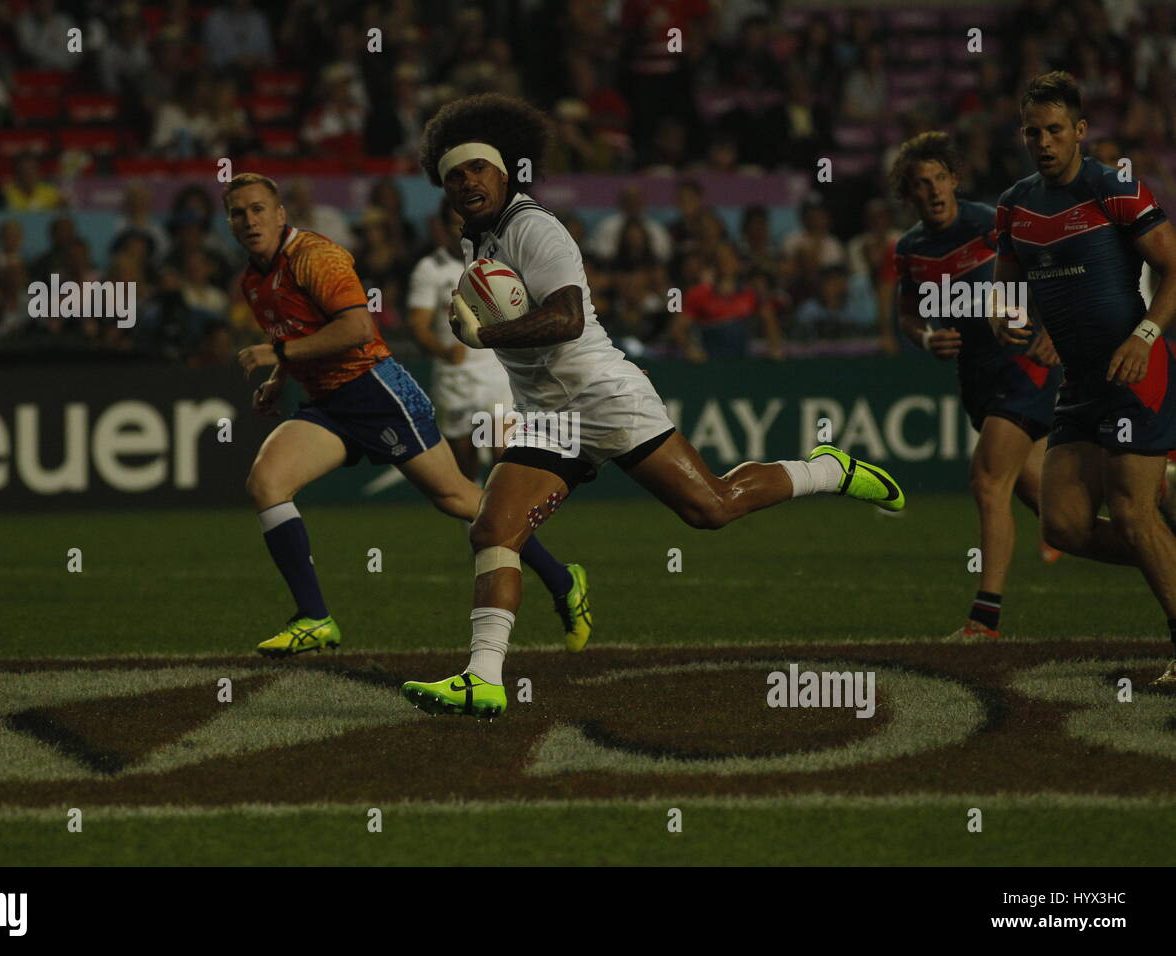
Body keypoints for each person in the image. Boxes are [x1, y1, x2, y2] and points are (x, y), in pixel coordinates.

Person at [401, 94, 906, 719]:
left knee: (711, 508)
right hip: (548, 414)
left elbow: (566, 317)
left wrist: (483, 334)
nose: (466, 181)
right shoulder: (484, 244)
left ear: (505, 172)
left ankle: (828, 470)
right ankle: (483, 677)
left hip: (603, 397)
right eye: (453, 175)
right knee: (492, 529)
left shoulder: (533, 226)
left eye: (477, 168)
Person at [224, 172, 590, 656]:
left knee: (459, 498)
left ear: (280, 214)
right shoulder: (253, 279)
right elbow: (302, 334)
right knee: (266, 483)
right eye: (237, 212)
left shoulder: (315, 256)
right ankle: (314, 617)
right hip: (328, 404)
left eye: (257, 209)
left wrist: (280, 356)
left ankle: (562, 580)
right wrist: (279, 380)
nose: (249, 220)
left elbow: (357, 328)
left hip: (376, 392)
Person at [992, 73, 1176, 686]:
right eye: (1031, 132)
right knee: (1063, 525)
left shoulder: (1113, 186)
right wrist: (1009, 319)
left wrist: (1144, 337)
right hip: (1078, 383)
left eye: (1053, 130)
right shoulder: (1014, 204)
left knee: (1131, 512)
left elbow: (1174, 268)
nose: (1042, 141)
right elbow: (1009, 287)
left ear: (1080, 131)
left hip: (1134, 370)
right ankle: (1163, 550)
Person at [891, 131, 1063, 641]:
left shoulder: (990, 223)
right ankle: (1153, 512)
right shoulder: (912, 250)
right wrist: (925, 338)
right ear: (910, 195)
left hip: (1022, 363)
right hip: (977, 378)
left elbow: (1053, 269)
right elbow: (906, 313)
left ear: (955, 179)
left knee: (987, 481)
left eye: (940, 178)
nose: (934, 191)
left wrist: (1053, 331)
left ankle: (984, 619)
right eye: (921, 184)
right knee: (1061, 517)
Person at [407, 199, 515, 481]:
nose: (463, 229)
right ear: (443, 228)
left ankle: (511, 524)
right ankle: (475, 524)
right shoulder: (430, 269)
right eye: (456, 224)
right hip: (455, 378)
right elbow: (418, 326)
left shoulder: (497, 262)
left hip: (497, 373)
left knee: (504, 456)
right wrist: (442, 352)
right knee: (465, 467)